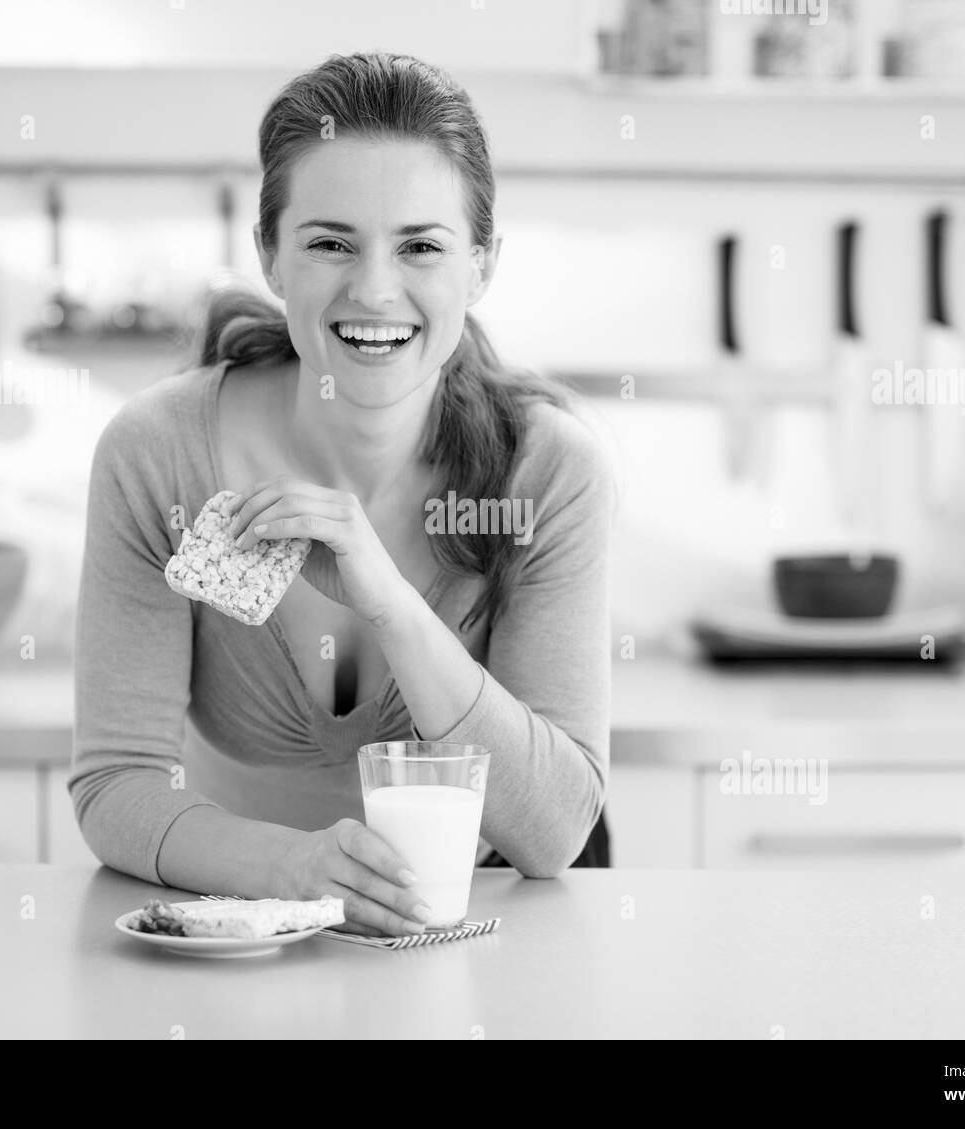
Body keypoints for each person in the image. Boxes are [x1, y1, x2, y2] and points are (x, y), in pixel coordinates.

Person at [69, 51, 615, 937]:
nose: (373, 289)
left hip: (483, 941)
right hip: (243, 948)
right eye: (329, 242)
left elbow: (553, 830)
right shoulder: (157, 455)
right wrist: (296, 869)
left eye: (421, 247)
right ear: (270, 258)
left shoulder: (548, 472)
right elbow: (115, 787)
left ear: (480, 266)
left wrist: (393, 606)